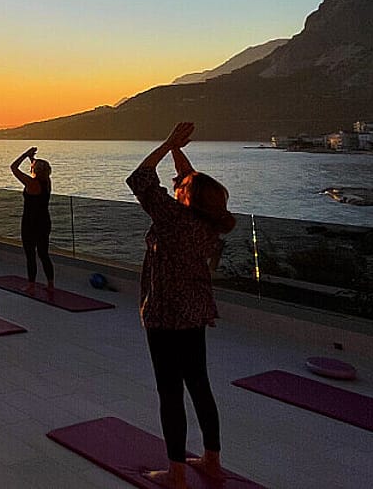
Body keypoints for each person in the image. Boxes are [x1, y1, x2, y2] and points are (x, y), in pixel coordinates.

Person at [128, 122, 236, 488]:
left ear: (186, 197)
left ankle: (176, 473)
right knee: (199, 385)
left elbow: (140, 178)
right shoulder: (207, 222)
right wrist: (178, 154)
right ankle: (212, 460)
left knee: (170, 391)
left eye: (181, 186)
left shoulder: (174, 218)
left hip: (165, 313)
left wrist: (166, 143)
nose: (178, 183)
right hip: (195, 311)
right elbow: (189, 178)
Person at [11, 146, 54, 291]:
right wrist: (31, 158)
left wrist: (25, 154)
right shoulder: (47, 182)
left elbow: (14, 167)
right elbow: (39, 168)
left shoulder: (31, 183)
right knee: (43, 253)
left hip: (30, 222)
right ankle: (50, 284)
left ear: (35, 170)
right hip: (44, 221)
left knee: (30, 254)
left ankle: (31, 285)